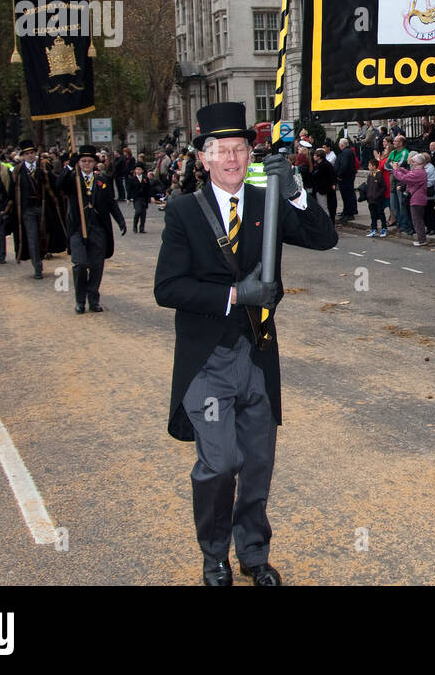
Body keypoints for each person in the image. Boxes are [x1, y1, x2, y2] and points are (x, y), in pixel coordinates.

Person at [154, 102, 337, 587]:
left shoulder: (266, 202)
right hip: (207, 361)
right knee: (220, 463)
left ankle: (253, 552)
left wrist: (295, 192)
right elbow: (166, 288)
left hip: (257, 355)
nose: (232, 160)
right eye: (222, 151)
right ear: (204, 159)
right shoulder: (183, 212)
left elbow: (325, 240)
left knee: (257, 462)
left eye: (240, 150)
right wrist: (235, 294)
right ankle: (214, 555)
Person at [53, 145, 126, 314]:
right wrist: (69, 166)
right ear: (79, 163)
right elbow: (59, 184)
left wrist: (120, 221)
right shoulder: (72, 179)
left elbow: (111, 203)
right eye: (83, 161)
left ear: (94, 163)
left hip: (98, 229)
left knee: (96, 266)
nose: (86, 164)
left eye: (90, 161)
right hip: (78, 229)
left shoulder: (102, 180)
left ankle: (93, 299)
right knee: (80, 264)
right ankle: (80, 300)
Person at [12, 140, 67, 280]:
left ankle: (42, 254)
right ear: (23, 155)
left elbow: (56, 184)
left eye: (32, 153)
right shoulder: (17, 170)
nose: (30, 156)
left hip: (42, 208)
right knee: (32, 237)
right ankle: (37, 267)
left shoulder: (44, 166)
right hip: (27, 209)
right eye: (27, 154)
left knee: (45, 235)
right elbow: (12, 191)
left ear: (36, 153)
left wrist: (45, 177)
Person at [393, 152, 431, 246]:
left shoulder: (418, 173)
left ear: (418, 163)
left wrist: (395, 171)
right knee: (417, 220)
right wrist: (400, 168)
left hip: (417, 200)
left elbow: (404, 178)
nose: (412, 163)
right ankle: (421, 239)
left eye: (413, 162)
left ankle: (422, 240)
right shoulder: (419, 171)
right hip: (418, 199)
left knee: (417, 220)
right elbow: (408, 173)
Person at [335, 138, 358, 222]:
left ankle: (349, 213)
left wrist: (339, 175)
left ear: (341, 145)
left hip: (345, 178)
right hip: (347, 177)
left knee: (347, 195)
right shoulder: (348, 151)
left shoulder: (346, 152)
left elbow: (344, 165)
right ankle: (346, 211)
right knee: (347, 195)